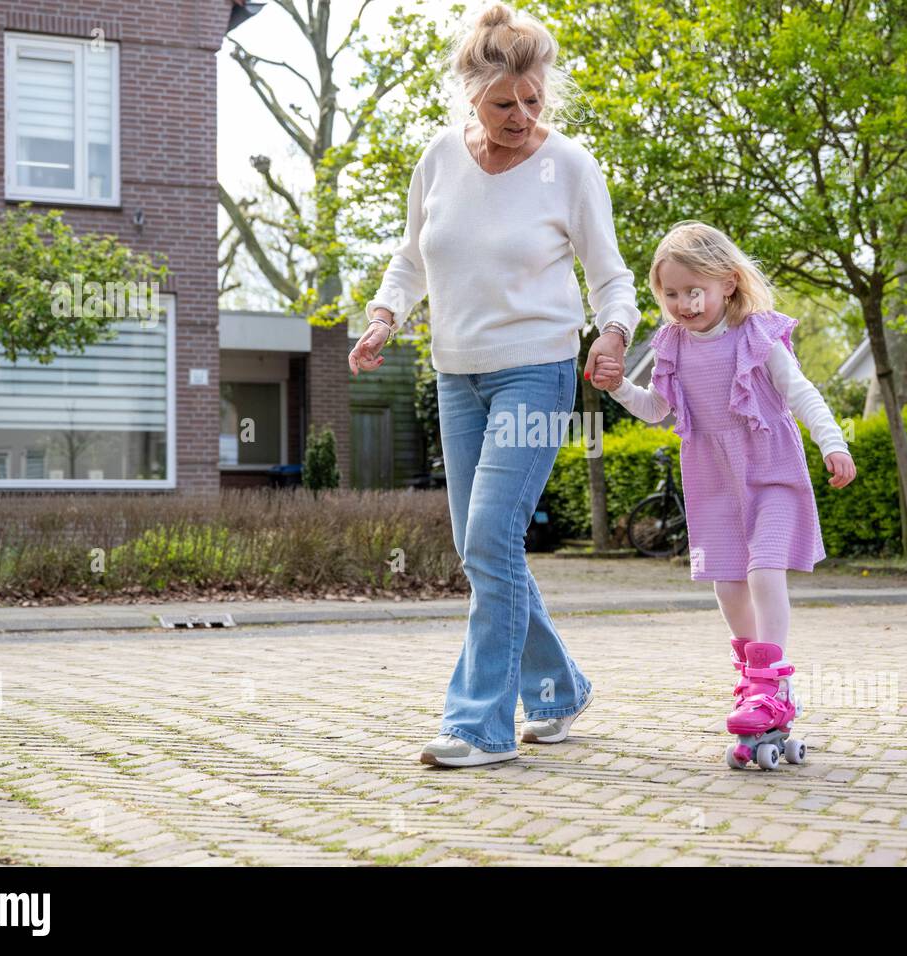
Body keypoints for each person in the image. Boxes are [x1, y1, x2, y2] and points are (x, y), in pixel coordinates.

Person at [348, 3, 641, 767]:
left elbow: (611, 276)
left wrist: (612, 336)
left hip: (537, 372)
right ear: (471, 92)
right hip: (456, 374)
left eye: (534, 100)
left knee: (488, 538)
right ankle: (558, 690)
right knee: (481, 548)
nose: (521, 115)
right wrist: (384, 316)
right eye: (504, 102)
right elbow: (412, 256)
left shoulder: (570, 166)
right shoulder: (439, 158)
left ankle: (479, 726)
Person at [590, 221, 857, 758]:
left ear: (728, 284)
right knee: (725, 579)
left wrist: (834, 443)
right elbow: (657, 411)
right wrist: (618, 387)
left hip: (771, 469)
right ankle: (756, 680)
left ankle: (768, 681)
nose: (684, 304)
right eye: (670, 294)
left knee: (763, 569)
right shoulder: (672, 345)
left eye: (695, 291)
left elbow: (800, 393)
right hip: (712, 478)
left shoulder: (756, 335)